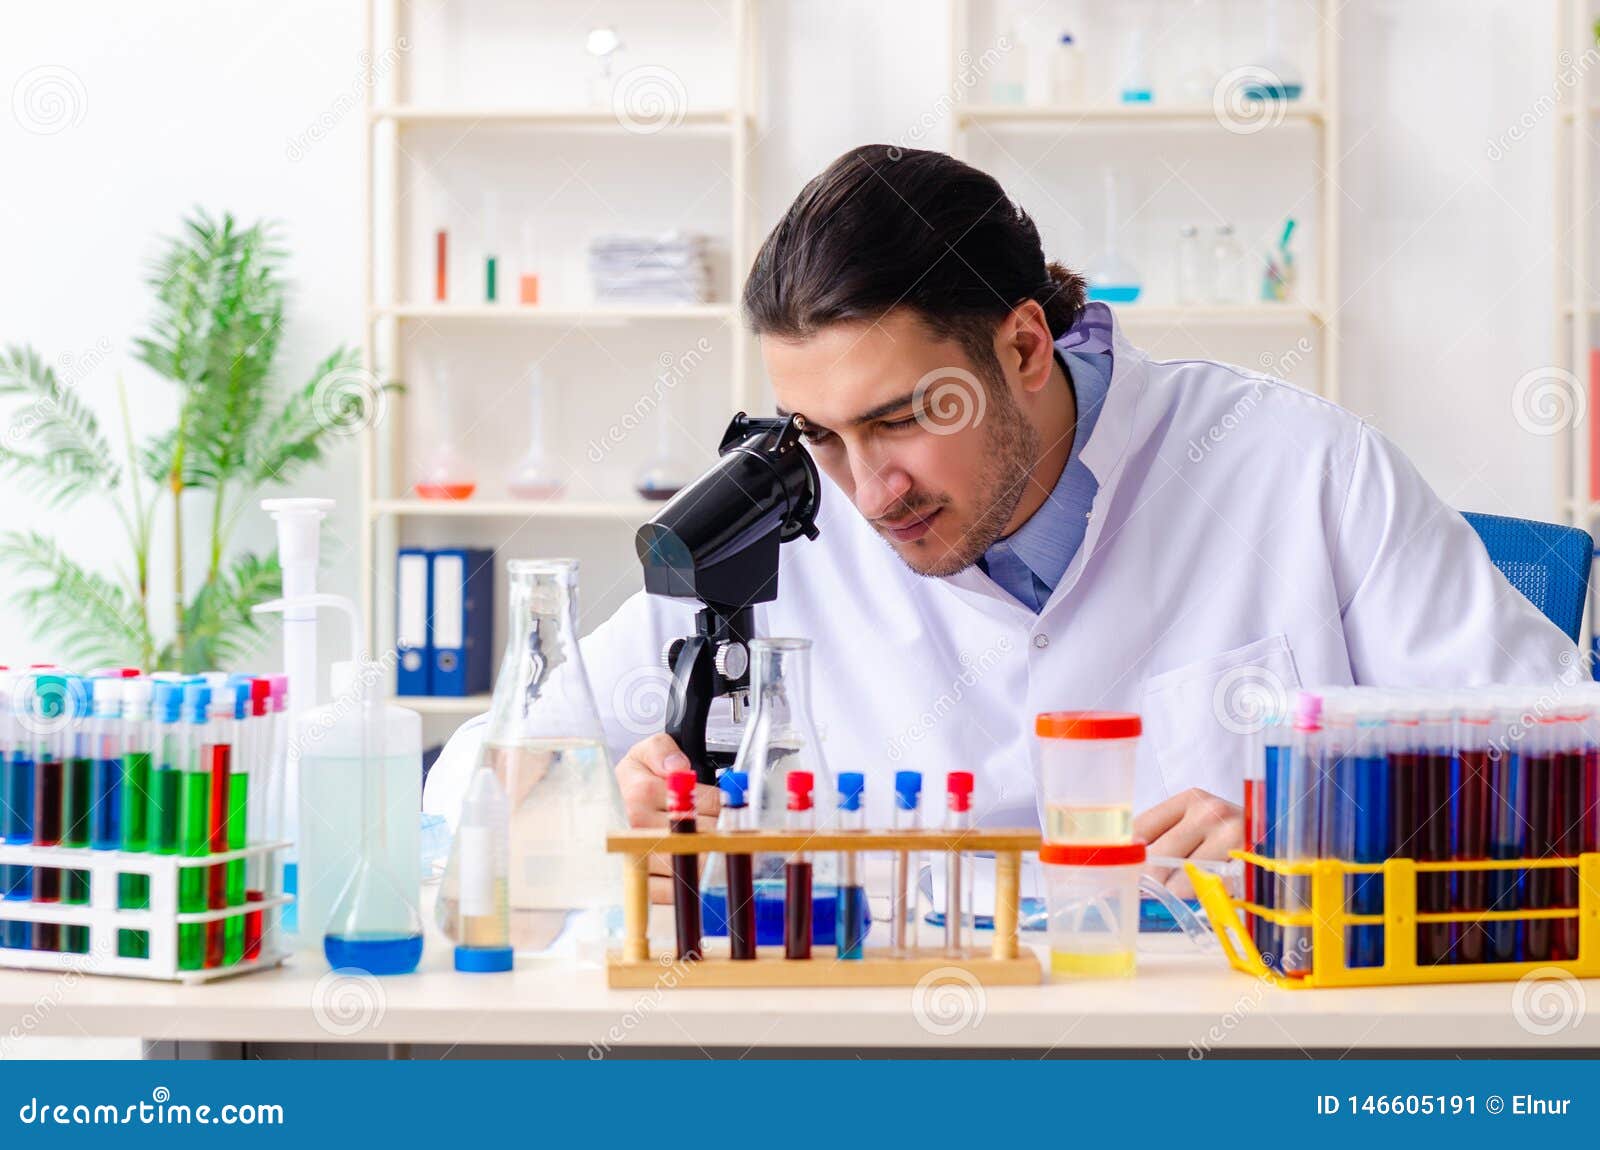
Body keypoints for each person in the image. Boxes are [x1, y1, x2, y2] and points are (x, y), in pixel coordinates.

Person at [426, 145, 1579, 902]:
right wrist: (598, 797)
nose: (867, 490)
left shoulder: (1300, 470)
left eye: (903, 419)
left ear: (1024, 346)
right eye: (821, 433)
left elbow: (1565, 771)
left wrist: (1325, 852)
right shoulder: (789, 518)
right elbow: (474, 779)